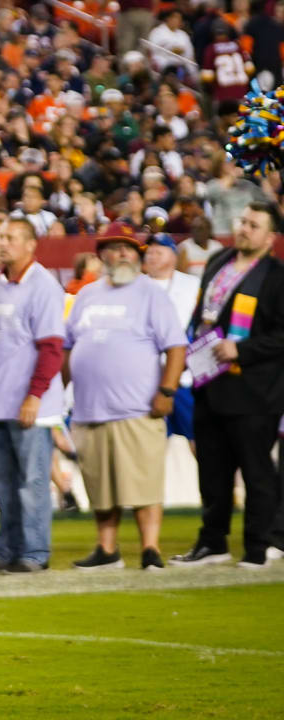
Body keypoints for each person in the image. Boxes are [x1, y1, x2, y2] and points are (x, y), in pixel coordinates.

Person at [64, 230, 186, 571]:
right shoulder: (86, 294)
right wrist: (59, 391)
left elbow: (176, 347)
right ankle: (107, 549)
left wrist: (166, 391)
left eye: (129, 250)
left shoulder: (151, 294)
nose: (122, 255)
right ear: (102, 255)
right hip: (89, 408)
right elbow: (69, 347)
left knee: (144, 482)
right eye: (114, 249)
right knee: (101, 486)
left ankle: (150, 548)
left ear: (139, 256)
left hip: (137, 407)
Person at [173, 203, 284, 568]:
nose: (244, 229)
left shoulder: (276, 277)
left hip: (253, 391)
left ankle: (257, 546)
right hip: (209, 382)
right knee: (212, 470)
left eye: (254, 225)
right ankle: (212, 542)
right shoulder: (219, 261)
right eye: (242, 221)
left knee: (256, 473)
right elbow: (203, 313)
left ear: (270, 237)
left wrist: (243, 349)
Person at [0, 217, 65, 574]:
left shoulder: (43, 286)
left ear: (31, 244)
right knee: (4, 484)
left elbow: (52, 348)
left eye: (11, 237)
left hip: (29, 405)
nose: (3, 242)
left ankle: (34, 552)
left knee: (32, 481)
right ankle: (7, 550)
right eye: (1, 237)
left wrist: (34, 395)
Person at [144, 233, 201, 444]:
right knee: (152, 439)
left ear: (174, 256)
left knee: (197, 438)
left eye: (158, 251)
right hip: (149, 378)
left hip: (185, 376)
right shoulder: (137, 285)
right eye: (149, 252)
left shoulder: (192, 284)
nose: (152, 256)